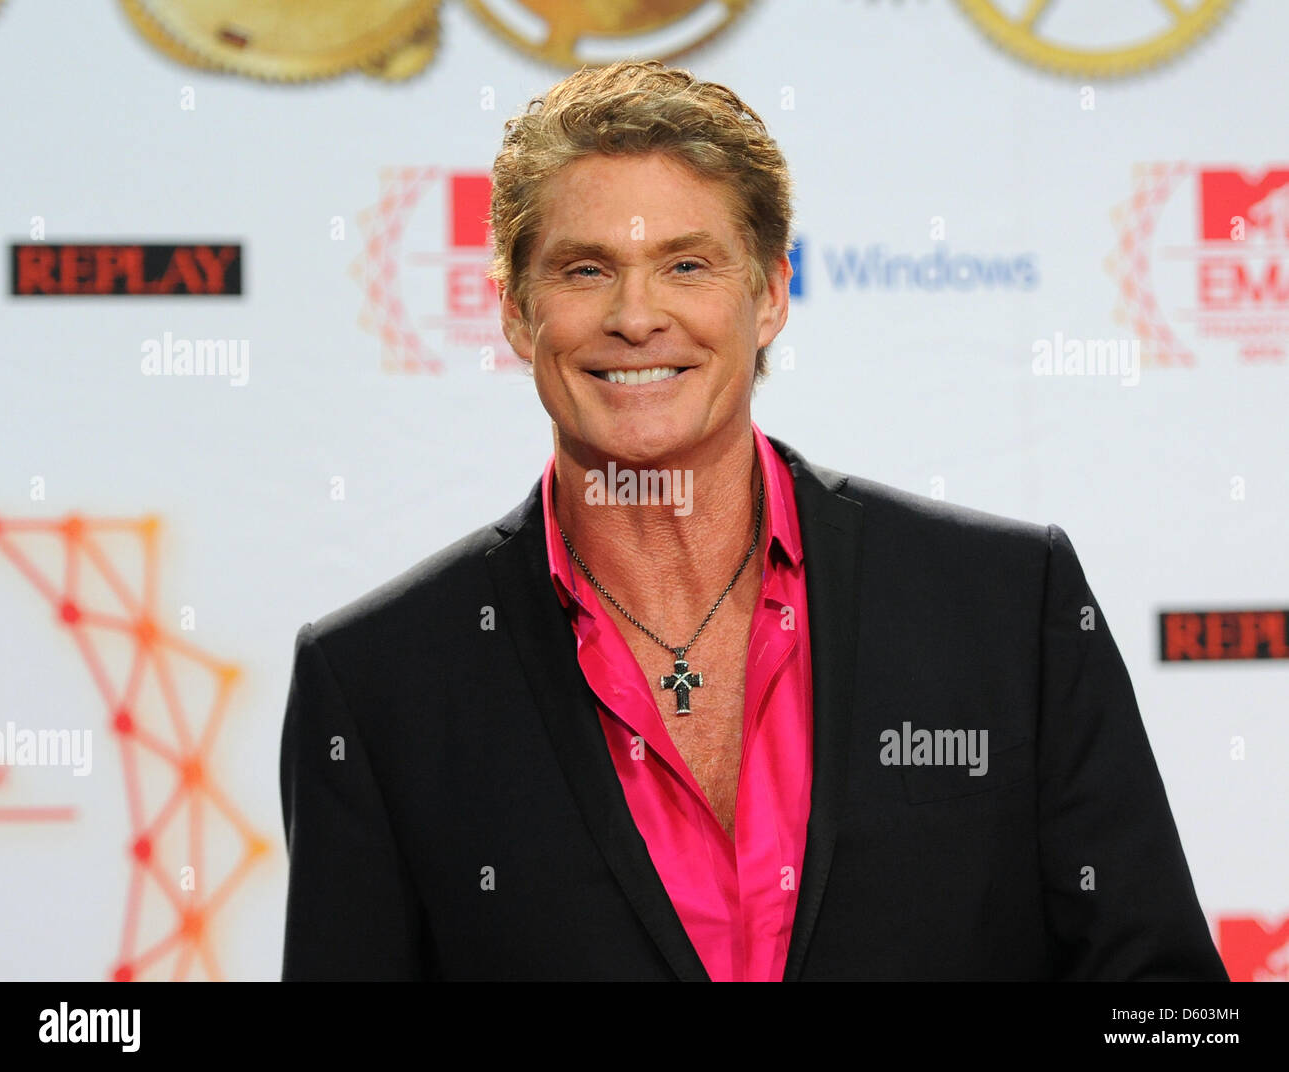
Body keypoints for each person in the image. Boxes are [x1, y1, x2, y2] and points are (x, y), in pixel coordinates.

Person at [279, 60, 1227, 981]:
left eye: (685, 263)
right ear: (519, 316)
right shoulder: (377, 686)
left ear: (770, 294)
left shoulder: (1010, 610)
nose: (637, 315)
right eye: (585, 270)